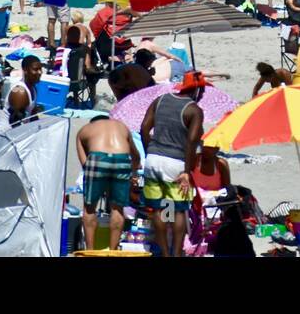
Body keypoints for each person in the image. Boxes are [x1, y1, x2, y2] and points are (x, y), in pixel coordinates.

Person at [139, 70, 207, 257]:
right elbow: (192, 141)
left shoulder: (160, 100)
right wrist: (187, 171)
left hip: (153, 160)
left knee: (161, 207)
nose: (202, 95)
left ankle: (165, 253)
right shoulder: (194, 110)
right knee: (178, 210)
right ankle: (176, 253)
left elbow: (144, 128)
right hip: (176, 163)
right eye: (202, 91)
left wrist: (150, 151)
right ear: (196, 90)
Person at [76, 112, 141, 251]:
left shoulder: (84, 131)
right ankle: (113, 250)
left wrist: (98, 178)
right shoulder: (121, 127)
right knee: (117, 208)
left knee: (89, 208)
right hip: (122, 158)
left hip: (97, 159)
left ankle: (90, 250)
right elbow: (136, 156)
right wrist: (133, 172)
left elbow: (85, 164)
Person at [7, 55, 42, 124]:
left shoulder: (33, 88)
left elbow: (33, 115)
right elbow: (14, 124)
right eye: (35, 69)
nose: (40, 72)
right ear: (25, 70)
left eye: (40, 69)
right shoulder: (20, 92)